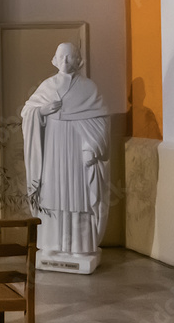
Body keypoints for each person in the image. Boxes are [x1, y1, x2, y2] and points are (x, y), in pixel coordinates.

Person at [21, 43, 110, 255]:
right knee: (52, 193)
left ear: (78, 60)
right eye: (61, 57)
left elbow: (100, 123)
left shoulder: (88, 88)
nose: (65, 62)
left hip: (77, 152)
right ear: (54, 59)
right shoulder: (48, 86)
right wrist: (42, 111)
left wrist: (91, 148)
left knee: (77, 195)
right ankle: (52, 245)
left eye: (70, 57)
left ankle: (80, 246)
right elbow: (27, 112)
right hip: (53, 148)